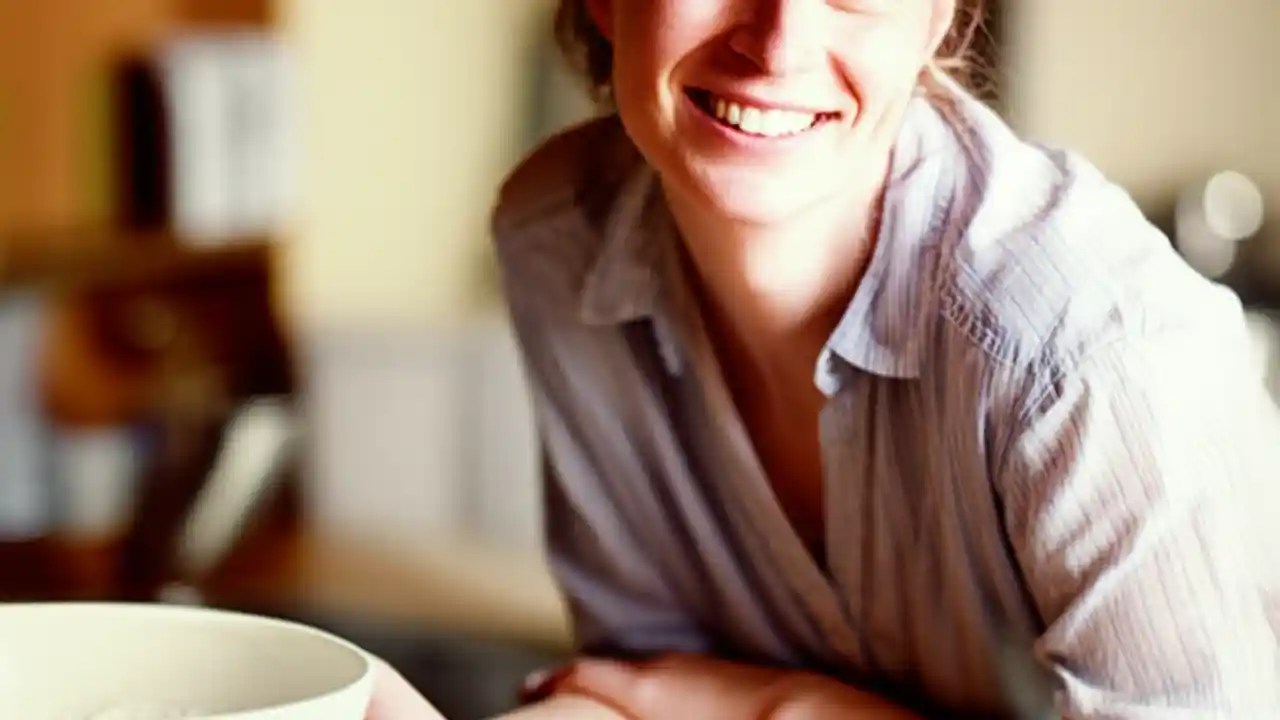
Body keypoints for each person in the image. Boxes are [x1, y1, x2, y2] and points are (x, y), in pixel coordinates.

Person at [371, 0, 1280, 717]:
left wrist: (783, 706)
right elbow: (639, 691)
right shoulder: (558, 241)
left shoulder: (1087, 351)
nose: (778, 41)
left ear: (937, 17)